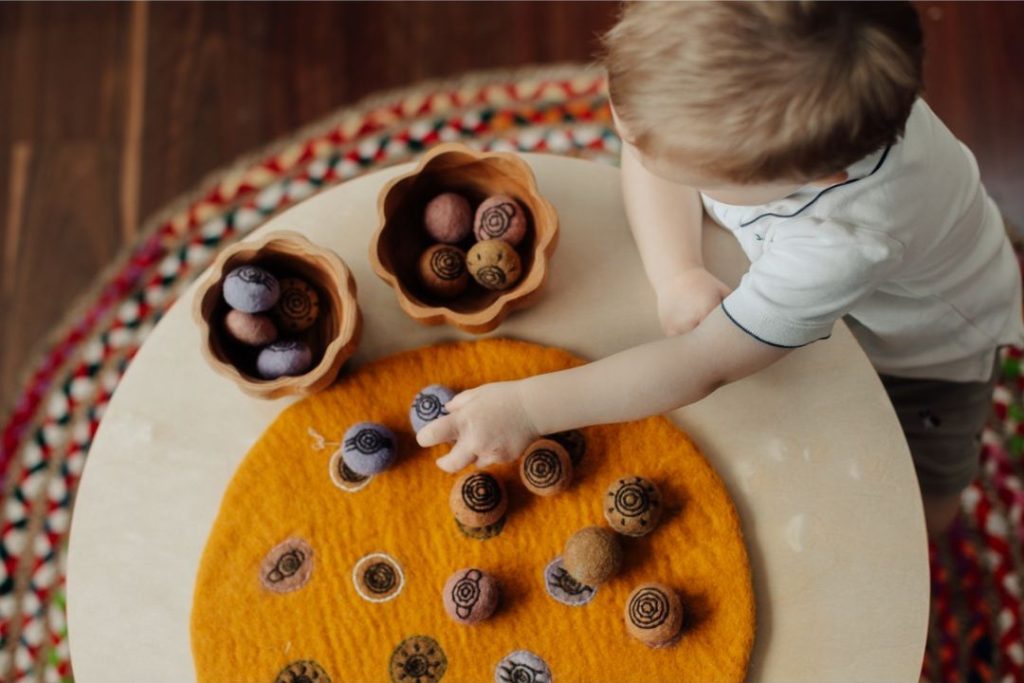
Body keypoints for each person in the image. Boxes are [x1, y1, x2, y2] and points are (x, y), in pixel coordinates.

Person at [417, 1, 1024, 537]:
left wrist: (528, 410)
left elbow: (702, 364)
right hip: (819, 290)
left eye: (692, 175)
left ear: (811, 180)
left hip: (924, 359)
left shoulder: (842, 240)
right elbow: (647, 154)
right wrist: (677, 271)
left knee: (922, 490)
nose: (629, 140)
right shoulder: (788, 123)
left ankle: (931, 532)